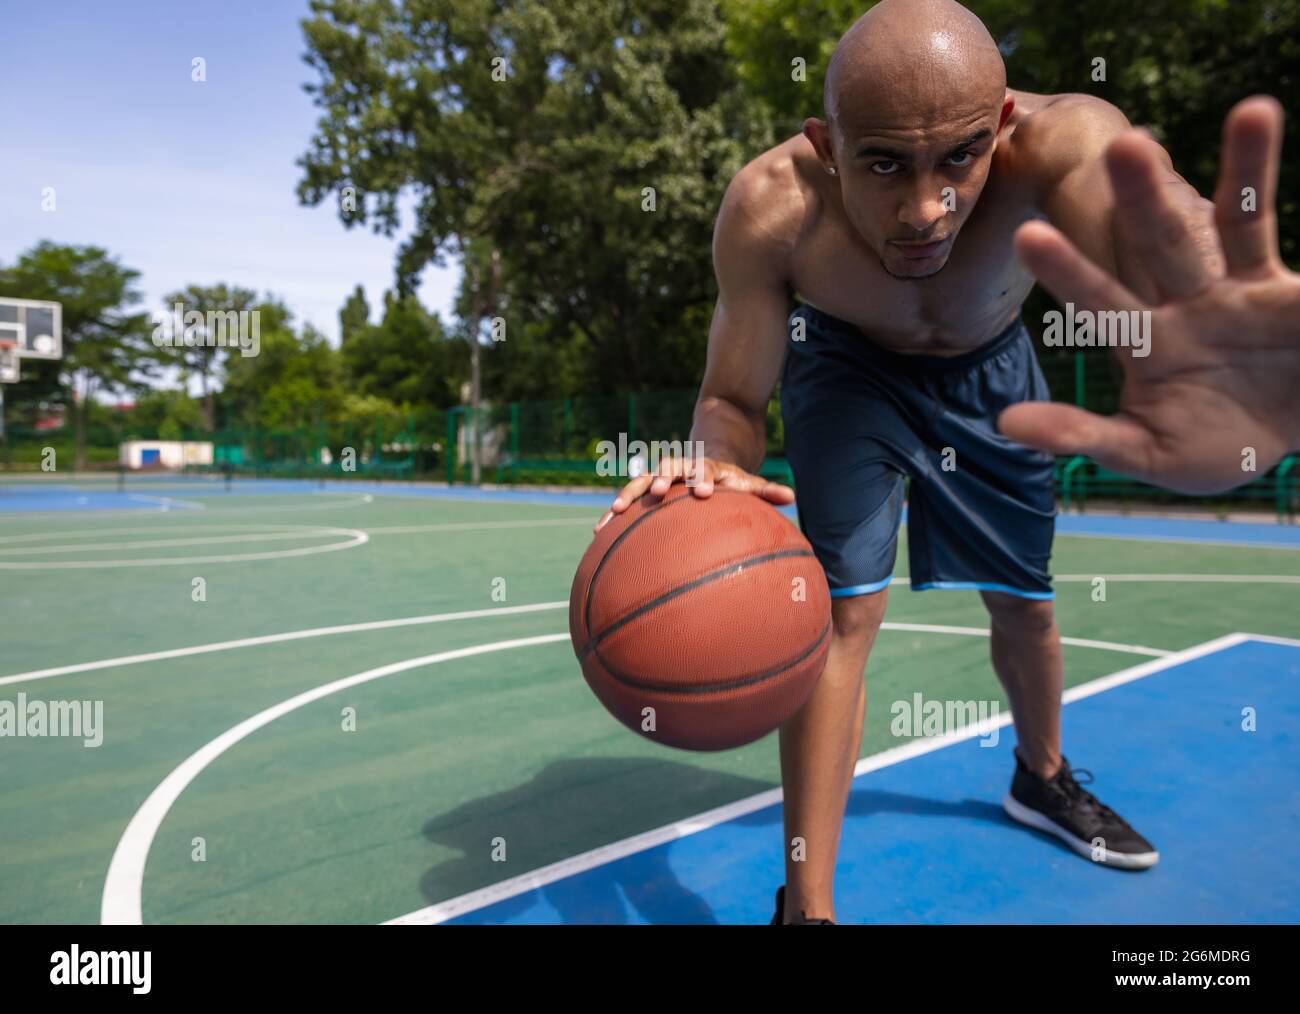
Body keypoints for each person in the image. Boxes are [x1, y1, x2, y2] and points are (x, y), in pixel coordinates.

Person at [600, 0, 1299, 924]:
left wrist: (1214, 299)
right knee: (840, 617)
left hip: (993, 370)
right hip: (845, 372)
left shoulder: (1060, 142)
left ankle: (1041, 776)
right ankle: (805, 909)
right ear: (827, 144)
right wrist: (716, 470)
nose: (926, 206)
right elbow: (731, 401)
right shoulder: (773, 205)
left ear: (1002, 125)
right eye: (885, 163)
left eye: (958, 158)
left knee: (1027, 602)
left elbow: (1145, 207)